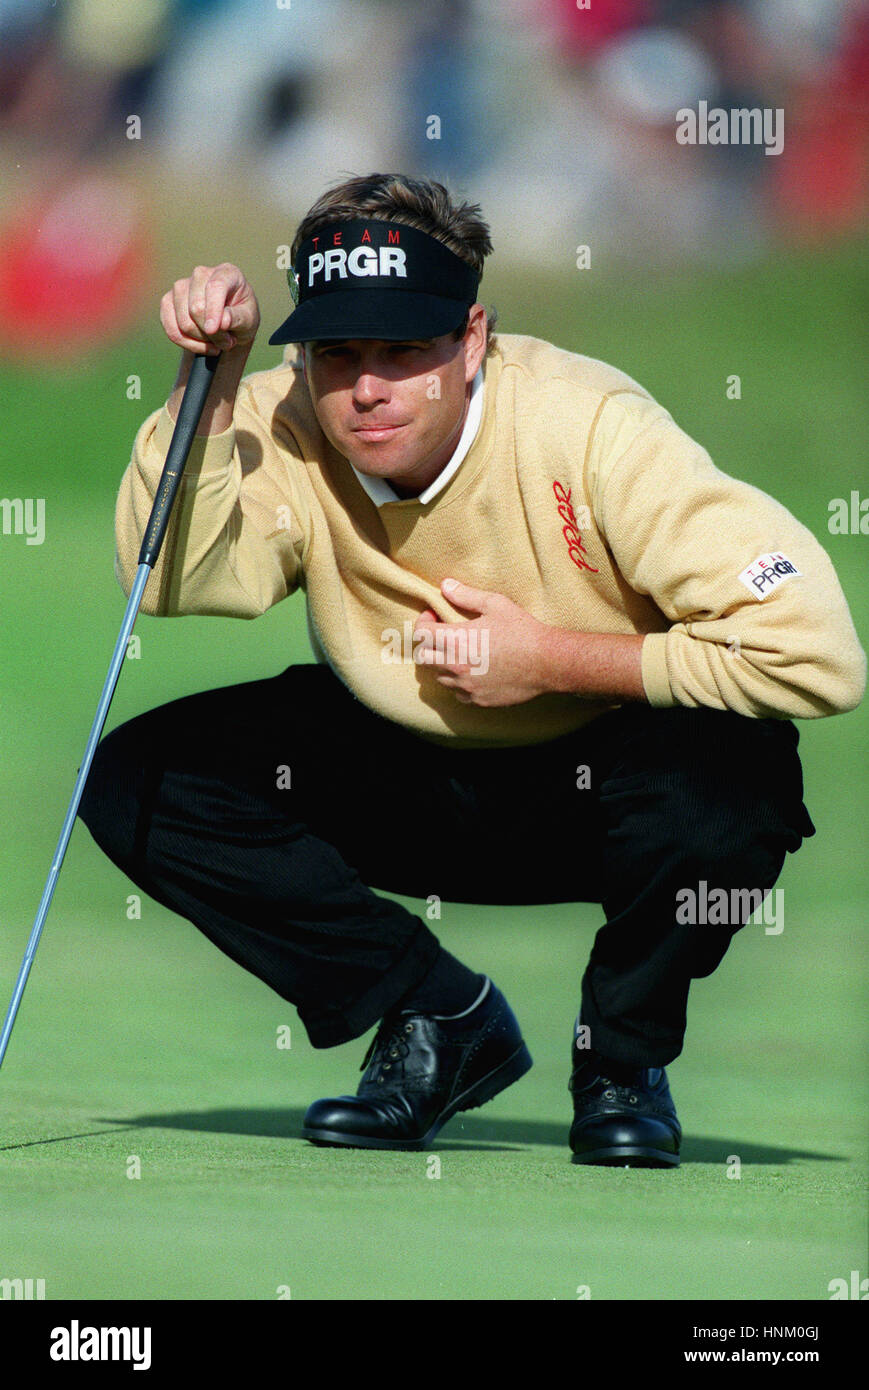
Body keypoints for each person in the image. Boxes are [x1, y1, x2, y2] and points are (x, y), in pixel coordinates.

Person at [79, 172, 865, 1167]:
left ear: (472, 336)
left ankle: (618, 1059)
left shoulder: (590, 425)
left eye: (403, 351)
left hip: (605, 787)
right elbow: (183, 581)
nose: (364, 388)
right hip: (402, 776)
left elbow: (818, 655)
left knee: (734, 773)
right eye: (336, 354)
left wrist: (550, 660)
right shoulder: (281, 417)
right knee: (137, 780)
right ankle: (434, 1016)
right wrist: (215, 385)